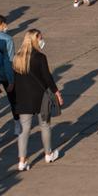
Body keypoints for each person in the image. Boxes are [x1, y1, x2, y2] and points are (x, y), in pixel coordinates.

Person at [13, 29, 62, 172]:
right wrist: (56, 92)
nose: (42, 40)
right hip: (40, 97)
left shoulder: (17, 57)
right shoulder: (40, 57)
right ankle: (48, 154)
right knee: (45, 125)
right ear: (35, 39)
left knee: (24, 130)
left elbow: (15, 79)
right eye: (41, 38)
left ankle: (22, 161)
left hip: (23, 98)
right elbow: (47, 78)